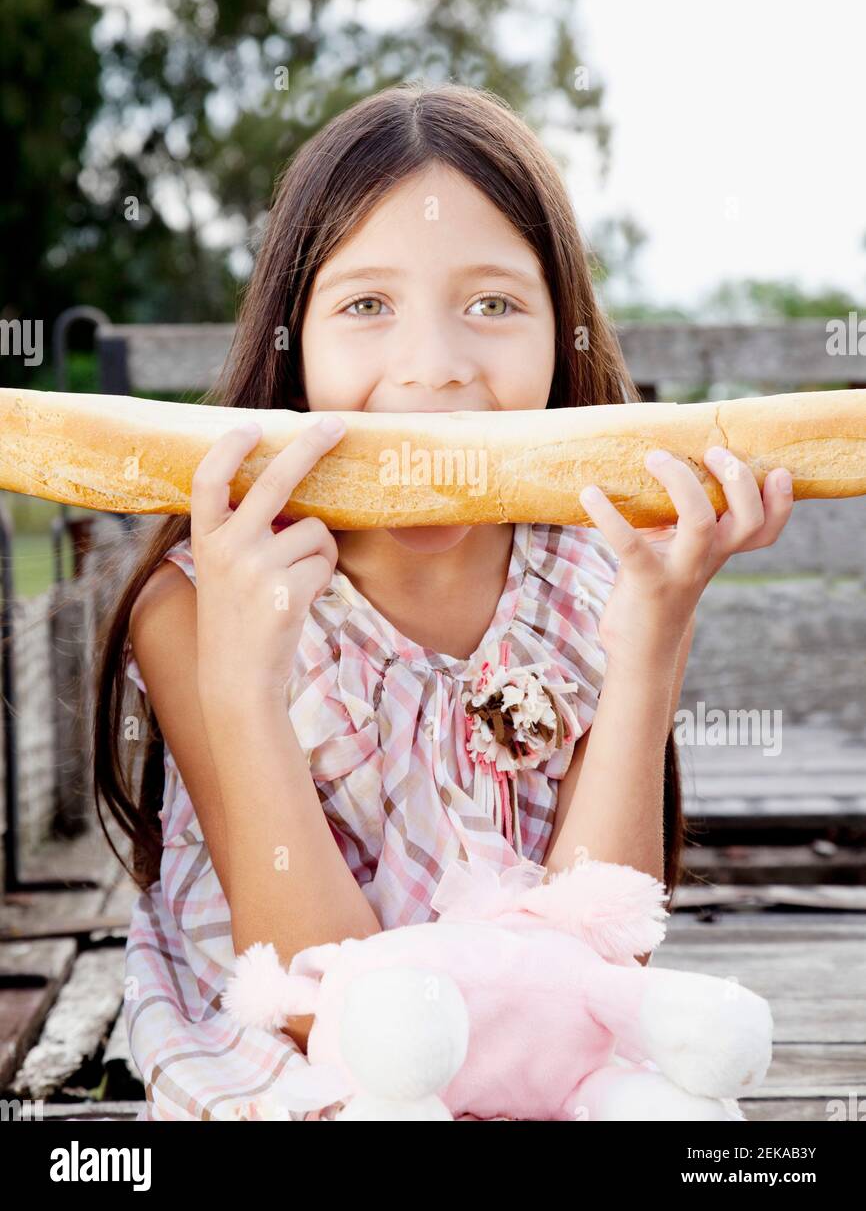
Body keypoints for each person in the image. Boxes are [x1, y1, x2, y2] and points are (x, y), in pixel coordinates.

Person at [93, 81, 794, 1121]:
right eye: (366, 305)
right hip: (295, 1035)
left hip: (533, 1041)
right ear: (291, 340)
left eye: (493, 304)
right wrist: (242, 685)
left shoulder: (596, 566)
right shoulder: (197, 600)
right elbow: (309, 994)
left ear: (566, 341)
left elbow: (601, 957)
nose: (432, 370)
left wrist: (652, 636)